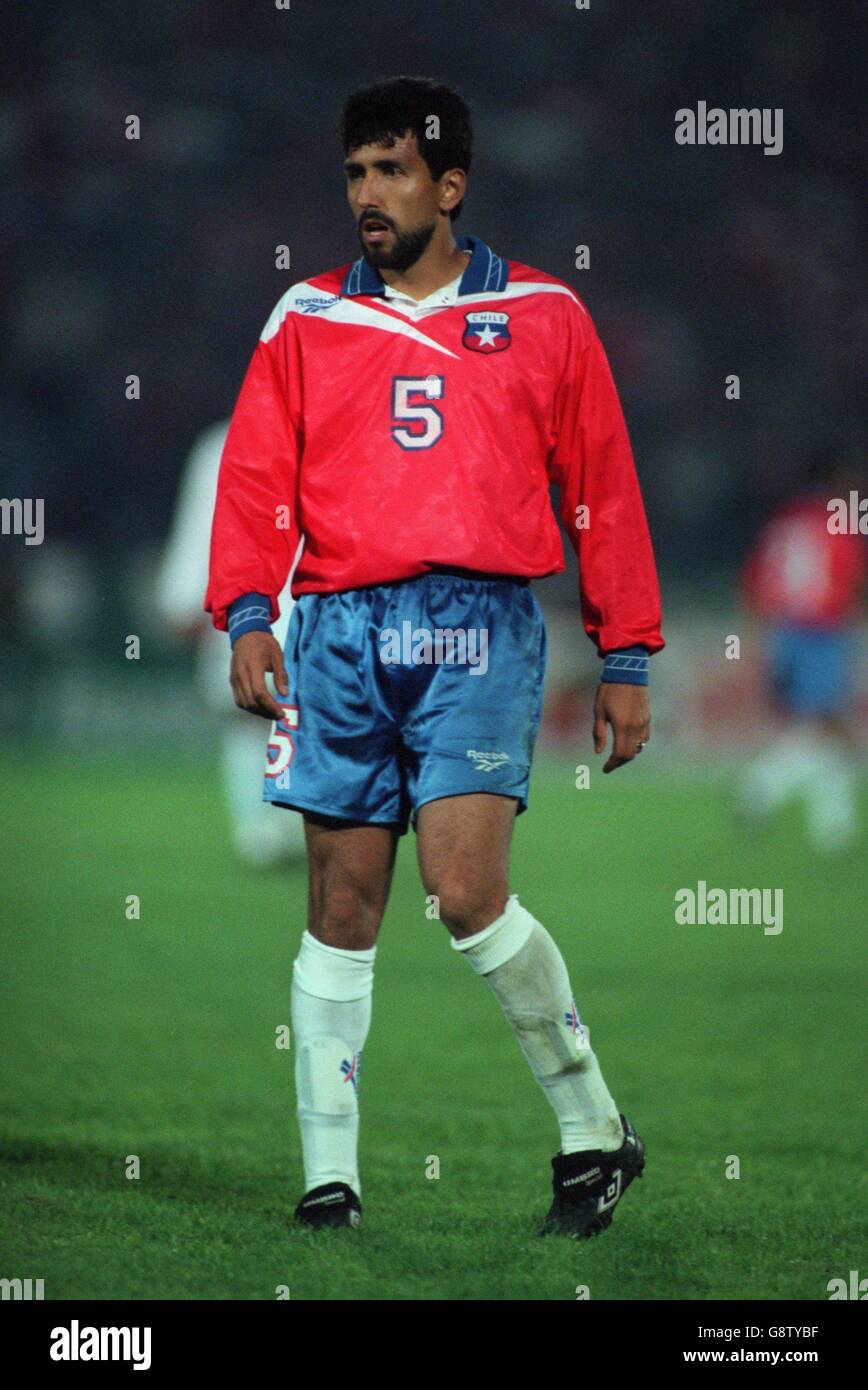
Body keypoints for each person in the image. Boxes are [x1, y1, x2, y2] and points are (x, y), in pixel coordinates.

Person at [205, 76, 664, 1238]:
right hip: (340, 629)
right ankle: (329, 1180)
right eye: (355, 171)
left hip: (478, 629)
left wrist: (629, 651)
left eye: (392, 171)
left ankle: (594, 1130)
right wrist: (249, 610)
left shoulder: (547, 315)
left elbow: (600, 486)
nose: (367, 193)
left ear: (448, 185)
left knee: (463, 893)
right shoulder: (305, 314)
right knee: (340, 901)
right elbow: (257, 475)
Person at [157, 419, 305, 867]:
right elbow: (205, 522)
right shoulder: (224, 442)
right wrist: (185, 597)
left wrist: (181, 594)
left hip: (307, 599)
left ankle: (280, 826)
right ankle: (260, 829)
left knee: (290, 717)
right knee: (248, 713)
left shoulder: (336, 429)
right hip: (248, 600)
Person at [738, 448, 865, 851]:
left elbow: (757, 579)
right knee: (828, 727)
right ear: (835, 480)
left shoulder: (785, 520)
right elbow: (850, 579)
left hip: (785, 631)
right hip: (821, 632)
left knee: (828, 730)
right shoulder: (838, 521)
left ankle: (834, 828)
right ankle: (761, 789)